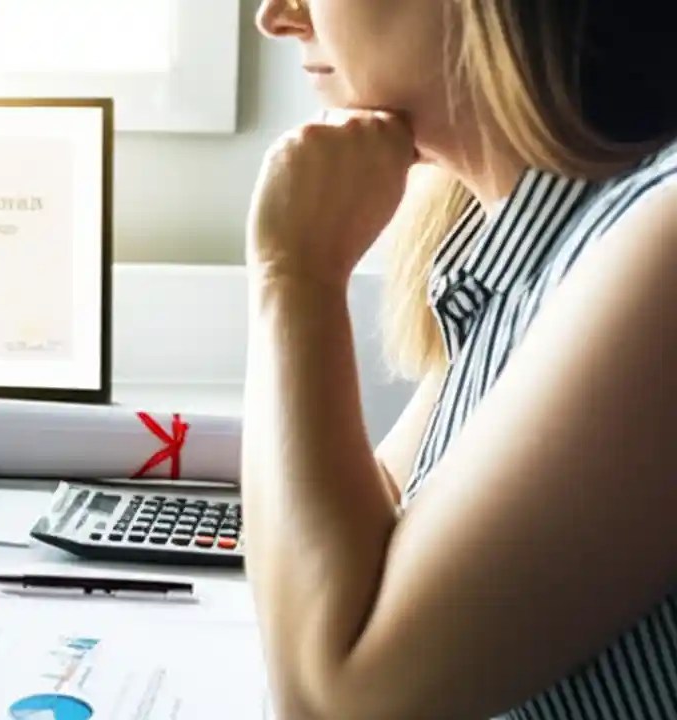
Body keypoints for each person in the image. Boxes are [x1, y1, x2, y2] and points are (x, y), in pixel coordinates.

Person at [240, 0, 677, 717]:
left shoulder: (661, 238)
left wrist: (294, 276)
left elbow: (336, 701)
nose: (277, 15)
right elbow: (352, 551)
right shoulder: (532, 246)